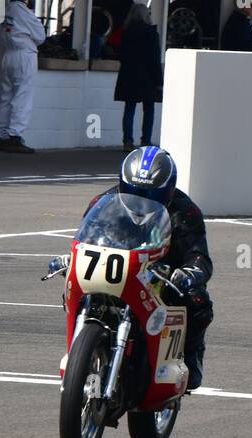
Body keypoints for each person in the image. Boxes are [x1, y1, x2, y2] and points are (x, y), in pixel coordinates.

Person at [90, 147, 214, 391]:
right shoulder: (104, 203)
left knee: (198, 300)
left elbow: (200, 256)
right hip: (118, 270)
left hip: (161, 277)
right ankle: (83, 348)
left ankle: (191, 356)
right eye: (134, 192)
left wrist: (190, 273)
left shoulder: (185, 212)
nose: (141, 202)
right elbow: (89, 238)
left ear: (168, 192)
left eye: (150, 195)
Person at [0, 0, 46, 153]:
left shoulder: (6, 9)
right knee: (22, 97)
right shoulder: (23, 11)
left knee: (6, 97)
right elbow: (40, 35)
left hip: (8, 54)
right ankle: (15, 135)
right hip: (24, 54)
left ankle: (1, 135)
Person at [115, 3, 163, 148]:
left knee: (129, 108)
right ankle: (145, 140)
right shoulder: (151, 33)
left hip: (129, 75)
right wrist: (159, 80)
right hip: (147, 76)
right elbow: (155, 58)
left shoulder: (125, 32)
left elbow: (121, 54)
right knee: (149, 109)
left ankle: (127, 141)